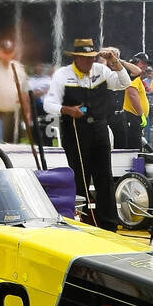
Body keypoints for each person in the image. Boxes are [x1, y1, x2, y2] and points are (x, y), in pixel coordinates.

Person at [42, 38, 132, 231]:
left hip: (99, 127)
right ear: (76, 57)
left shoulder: (102, 70)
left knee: (105, 177)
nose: (90, 61)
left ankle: (109, 225)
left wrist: (115, 61)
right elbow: (48, 104)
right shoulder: (63, 75)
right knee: (80, 176)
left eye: (92, 57)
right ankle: (80, 223)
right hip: (75, 129)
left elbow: (125, 83)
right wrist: (67, 110)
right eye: (86, 58)